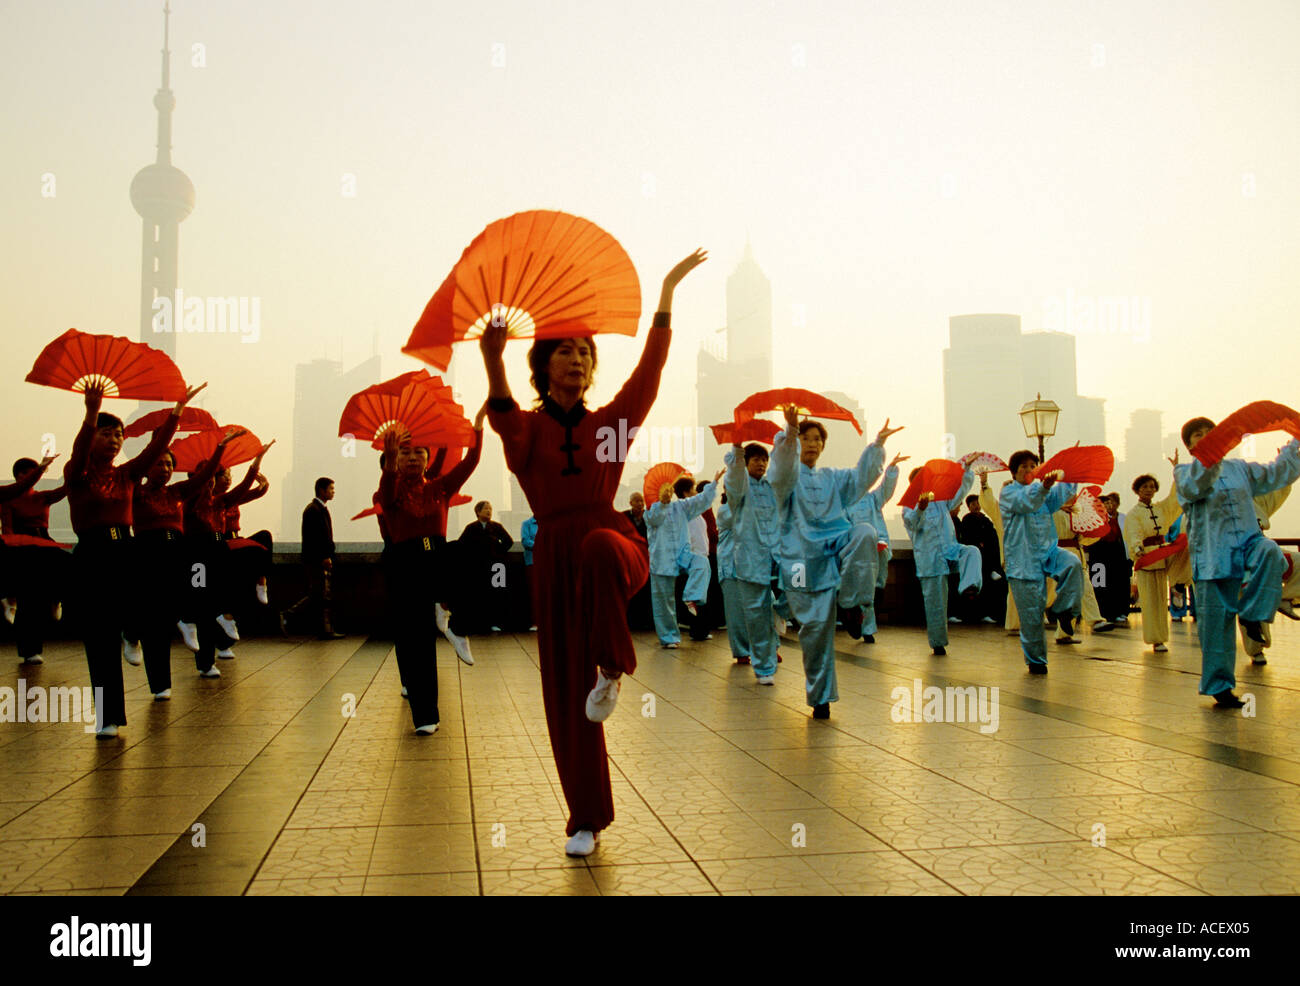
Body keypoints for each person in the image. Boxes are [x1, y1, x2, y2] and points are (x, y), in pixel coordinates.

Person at [480, 247, 706, 857]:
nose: (577, 358)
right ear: (543, 365)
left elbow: (649, 375)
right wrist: (491, 359)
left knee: (605, 545)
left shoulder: (610, 423)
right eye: (565, 350)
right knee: (563, 695)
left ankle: (612, 666)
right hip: (554, 557)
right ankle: (586, 818)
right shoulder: (527, 429)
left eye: (586, 351)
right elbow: (502, 417)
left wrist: (665, 296)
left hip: (611, 541)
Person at [64, 381, 204, 737]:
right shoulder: (76, 474)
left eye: (119, 435)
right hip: (94, 556)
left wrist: (177, 411)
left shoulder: (128, 474)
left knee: (153, 603)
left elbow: (158, 447)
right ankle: (107, 717)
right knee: (99, 639)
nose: (114, 440)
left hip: (128, 551)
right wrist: (92, 412)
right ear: (93, 437)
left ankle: (134, 633)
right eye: (107, 434)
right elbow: (80, 450)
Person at [769, 405, 900, 717]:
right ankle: (821, 698)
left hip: (833, 549)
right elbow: (781, 469)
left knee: (866, 533)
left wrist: (877, 445)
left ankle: (854, 604)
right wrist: (789, 431)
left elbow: (860, 479)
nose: (812, 443)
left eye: (817, 439)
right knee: (815, 633)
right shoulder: (786, 479)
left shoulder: (832, 477)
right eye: (806, 437)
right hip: (800, 561)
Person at [1173, 418, 1300, 707]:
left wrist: (1296, 441)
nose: (1206, 437)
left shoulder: (1241, 468)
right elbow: (1199, 487)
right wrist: (1211, 459)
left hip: (1248, 542)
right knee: (1216, 627)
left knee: (1270, 551)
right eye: (1198, 435)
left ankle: (1253, 615)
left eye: (1211, 433)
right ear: (1191, 445)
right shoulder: (1184, 473)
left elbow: (1277, 475)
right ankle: (1219, 687)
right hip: (1212, 557)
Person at [379, 408, 487, 734]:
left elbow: (470, 462)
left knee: (471, 551)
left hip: (435, 555)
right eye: (406, 453)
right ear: (397, 459)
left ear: (428, 459)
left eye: (419, 453)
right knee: (415, 642)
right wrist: (389, 455)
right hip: (404, 563)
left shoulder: (440, 487)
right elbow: (385, 492)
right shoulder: (391, 491)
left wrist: (478, 429)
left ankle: (453, 622)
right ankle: (426, 716)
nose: (413, 458)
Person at [130, 435, 237, 698]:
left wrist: (220, 448)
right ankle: (158, 679)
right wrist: (159, 439)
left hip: (181, 552)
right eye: (158, 464)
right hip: (149, 553)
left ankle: (197, 627)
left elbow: (204, 478)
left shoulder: (177, 492)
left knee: (199, 596)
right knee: (154, 621)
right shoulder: (136, 491)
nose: (164, 470)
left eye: (168, 465)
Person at [998, 450, 1082, 674]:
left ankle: (1064, 611)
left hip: (1048, 550)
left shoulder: (1041, 490)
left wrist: (1070, 473)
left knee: (1072, 564)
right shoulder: (1009, 492)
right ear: (1014, 471)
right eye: (1023, 466)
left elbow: (1058, 496)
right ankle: (1036, 661)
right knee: (1032, 615)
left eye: (1032, 465)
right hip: (1023, 560)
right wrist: (1043, 487)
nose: (1028, 469)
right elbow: (1026, 502)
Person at [902, 465, 979, 656]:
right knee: (936, 602)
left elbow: (960, 493)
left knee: (972, 552)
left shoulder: (941, 500)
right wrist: (920, 509)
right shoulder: (909, 505)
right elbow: (912, 524)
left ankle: (969, 586)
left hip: (950, 550)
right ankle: (938, 643)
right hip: (930, 559)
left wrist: (967, 470)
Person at [723, 441, 784, 681]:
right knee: (750, 613)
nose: (761, 463)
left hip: (776, 554)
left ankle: (780, 618)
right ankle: (757, 661)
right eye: (756, 459)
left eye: (764, 459)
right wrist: (737, 454)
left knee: (794, 588)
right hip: (746, 560)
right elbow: (734, 480)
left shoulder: (772, 486)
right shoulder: (740, 489)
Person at [1, 455, 66, 665]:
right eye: (26, 473)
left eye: (33, 472)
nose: (31, 477)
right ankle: (30, 650)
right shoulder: (9, 499)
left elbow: (64, 490)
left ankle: (56, 598)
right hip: (23, 544)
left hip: (43, 541)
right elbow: (8, 528)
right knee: (29, 600)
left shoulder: (42, 497)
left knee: (70, 567)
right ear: (18, 476)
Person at [645, 473, 719, 647]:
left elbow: (699, 500)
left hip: (683, 555)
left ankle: (691, 596)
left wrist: (713, 483)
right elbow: (653, 520)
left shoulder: (681, 507)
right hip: (662, 558)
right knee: (664, 600)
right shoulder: (652, 509)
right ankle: (669, 637)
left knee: (702, 563)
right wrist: (662, 504)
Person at [1124, 467, 1185, 653]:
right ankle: (1154, 639)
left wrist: (1177, 471)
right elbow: (1133, 533)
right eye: (1144, 487)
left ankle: (1162, 637)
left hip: (1162, 554)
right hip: (1146, 557)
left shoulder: (1160, 508)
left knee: (1160, 600)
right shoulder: (1134, 513)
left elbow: (1175, 500)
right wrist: (1137, 548)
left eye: (1151, 486)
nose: (1149, 490)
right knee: (1150, 601)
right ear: (1137, 490)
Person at [847, 453, 905, 643]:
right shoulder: (846, 503)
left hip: (879, 547)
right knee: (865, 589)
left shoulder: (873, 499)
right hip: (859, 551)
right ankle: (866, 628)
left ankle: (864, 623)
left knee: (877, 586)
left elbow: (886, 489)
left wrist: (892, 469)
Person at [281, 477, 342, 639]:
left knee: (321, 595)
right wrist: (323, 557)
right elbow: (313, 538)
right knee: (317, 593)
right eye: (331, 489)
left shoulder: (319, 509)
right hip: (315, 560)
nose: (333, 492)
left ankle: (323, 630)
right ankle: (289, 614)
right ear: (322, 490)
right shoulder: (313, 510)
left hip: (320, 558)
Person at [457, 500, 514, 633]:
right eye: (486, 509)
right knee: (479, 593)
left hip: (496, 566)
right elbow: (461, 545)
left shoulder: (497, 527)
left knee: (497, 594)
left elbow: (509, 541)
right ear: (478, 512)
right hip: (478, 567)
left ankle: (496, 622)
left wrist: (498, 551)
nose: (489, 511)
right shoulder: (471, 528)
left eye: (490, 509)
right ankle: (480, 622)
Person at [959, 492, 1005, 625]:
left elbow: (993, 537)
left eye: (978, 503)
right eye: (973, 504)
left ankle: (993, 613)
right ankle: (981, 614)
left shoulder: (986, 520)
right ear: (968, 507)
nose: (976, 506)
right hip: (978, 559)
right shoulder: (967, 519)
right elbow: (968, 538)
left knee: (992, 587)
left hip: (989, 558)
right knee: (981, 586)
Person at [715, 492, 750, 664]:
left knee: (766, 605)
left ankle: (770, 646)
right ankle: (742, 651)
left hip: (751, 566)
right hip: (730, 567)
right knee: (735, 612)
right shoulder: (724, 511)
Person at [1087, 492, 1132, 625]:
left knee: (1117, 585)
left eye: (1109, 503)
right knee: (1099, 586)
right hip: (1098, 559)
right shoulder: (1093, 521)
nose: (1108, 505)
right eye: (1104, 503)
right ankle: (1101, 614)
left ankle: (1119, 612)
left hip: (1116, 558)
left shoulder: (1115, 520)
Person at [621, 493, 652, 631]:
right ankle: (631, 621)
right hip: (630, 556)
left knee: (647, 589)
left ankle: (647, 621)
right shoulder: (624, 517)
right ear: (630, 502)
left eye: (642, 501)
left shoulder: (649, 517)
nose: (640, 504)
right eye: (637, 501)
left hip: (647, 556)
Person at [520, 514, 538, 631]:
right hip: (532, 562)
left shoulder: (548, 522)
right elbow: (526, 542)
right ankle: (535, 621)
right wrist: (542, 546)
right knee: (534, 592)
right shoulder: (527, 524)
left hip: (547, 561)